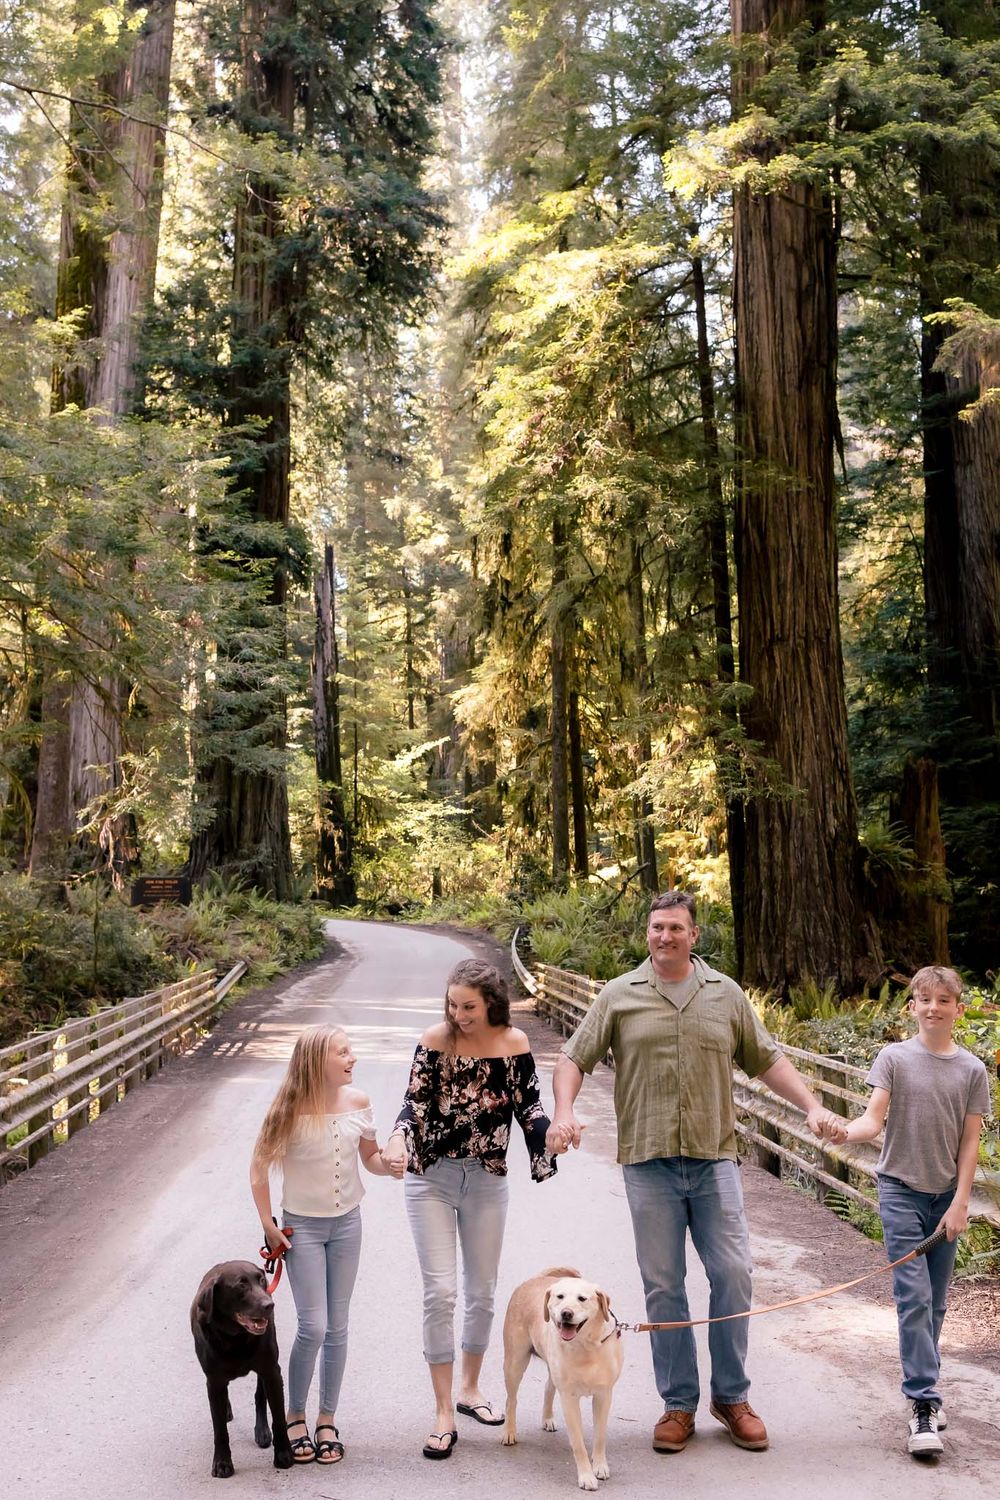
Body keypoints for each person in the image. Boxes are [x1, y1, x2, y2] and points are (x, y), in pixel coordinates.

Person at [550, 889, 845, 1455]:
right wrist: (564, 1111)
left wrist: (811, 1106)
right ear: (648, 934)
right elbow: (572, 1057)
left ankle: (731, 1397)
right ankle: (678, 1404)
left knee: (733, 1274)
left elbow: (767, 1058)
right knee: (664, 1287)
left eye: (676, 928)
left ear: (694, 935)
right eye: (657, 927)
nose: (665, 936)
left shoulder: (724, 994)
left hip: (714, 1161)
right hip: (648, 1162)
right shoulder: (620, 995)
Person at [381, 958, 564, 1460]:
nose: (458, 1015)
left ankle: (470, 1389)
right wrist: (397, 1140)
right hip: (432, 1178)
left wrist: (554, 1138)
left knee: (482, 1293)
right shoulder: (436, 1040)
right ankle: (443, 1412)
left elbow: (530, 1110)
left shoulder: (514, 1045)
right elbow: (413, 1105)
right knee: (440, 1292)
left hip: (486, 1179)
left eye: (469, 1006)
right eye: (453, 1004)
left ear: (491, 1003)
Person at [837, 965, 990, 1458]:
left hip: (946, 1196)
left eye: (943, 1000)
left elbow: (970, 1142)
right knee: (914, 1296)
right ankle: (923, 1402)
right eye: (924, 1000)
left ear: (958, 1009)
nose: (933, 1008)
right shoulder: (895, 1058)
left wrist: (961, 1201)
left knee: (937, 1302)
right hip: (899, 1190)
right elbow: (871, 1118)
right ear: (912, 1007)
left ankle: (924, 1384)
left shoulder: (972, 1070)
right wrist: (844, 1131)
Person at [250, 1024, 393, 1465]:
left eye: (351, 1051)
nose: (353, 1058)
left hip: (347, 1224)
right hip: (302, 1229)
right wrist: (268, 1224)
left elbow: (370, 1158)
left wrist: (390, 1164)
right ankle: (294, 1415)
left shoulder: (359, 1101)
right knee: (312, 1325)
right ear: (317, 1061)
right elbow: (258, 1169)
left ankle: (326, 1419)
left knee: (338, 1326)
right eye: (344, 1052)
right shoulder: (288, 1109)